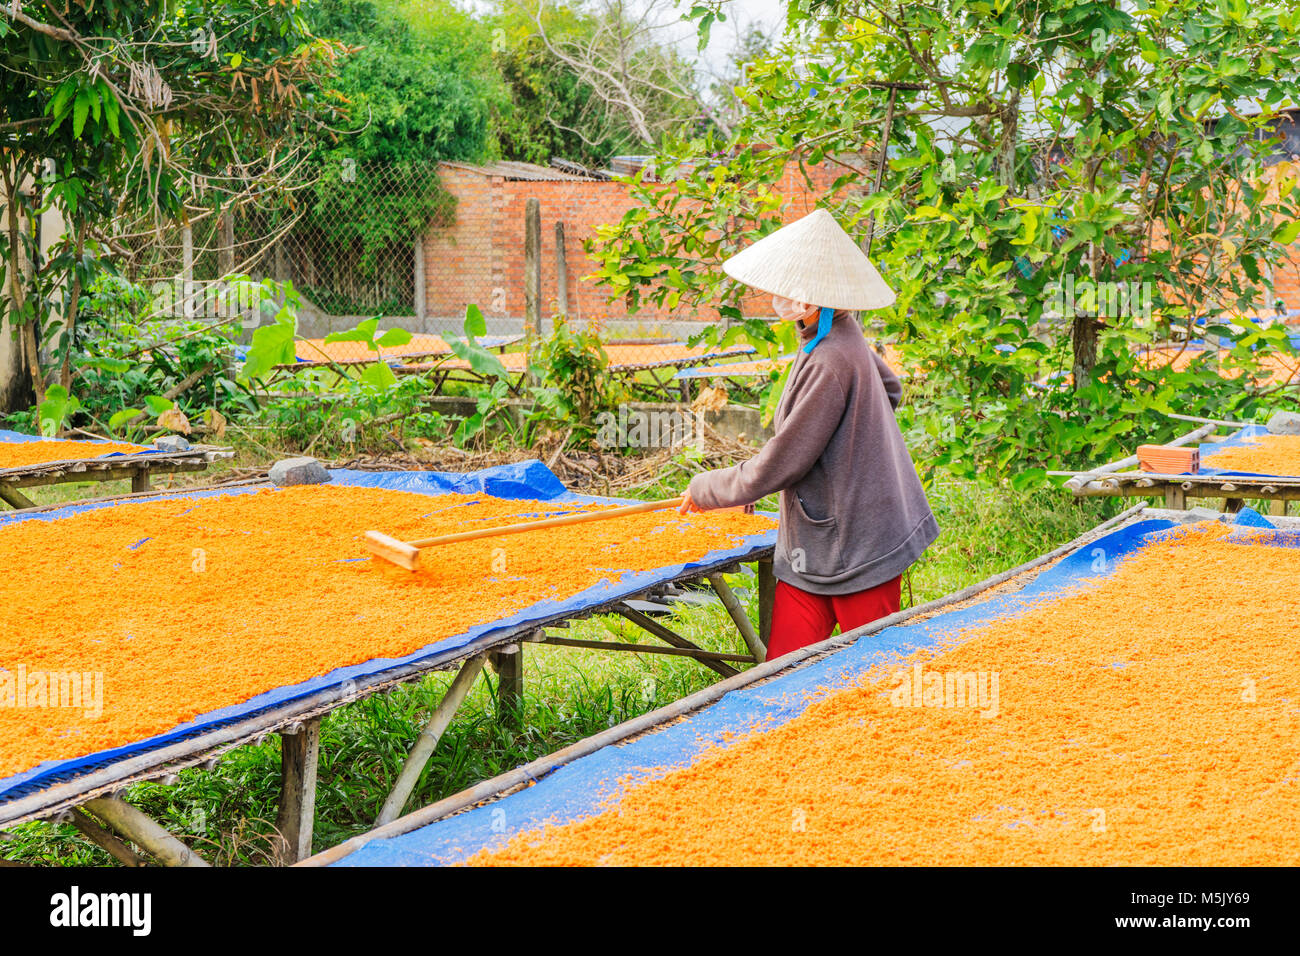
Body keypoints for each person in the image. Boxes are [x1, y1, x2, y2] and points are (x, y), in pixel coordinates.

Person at [679, 209, 938, 659]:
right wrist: (851, 446)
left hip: (861, 544)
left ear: (808, 300)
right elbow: (890, 389)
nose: (774, 296)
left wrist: (710, 488)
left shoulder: (830, 357)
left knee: (871, 671)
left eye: (785, 288)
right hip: (815, 541)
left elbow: (786, 460)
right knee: (784, 669)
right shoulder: (831, 334)